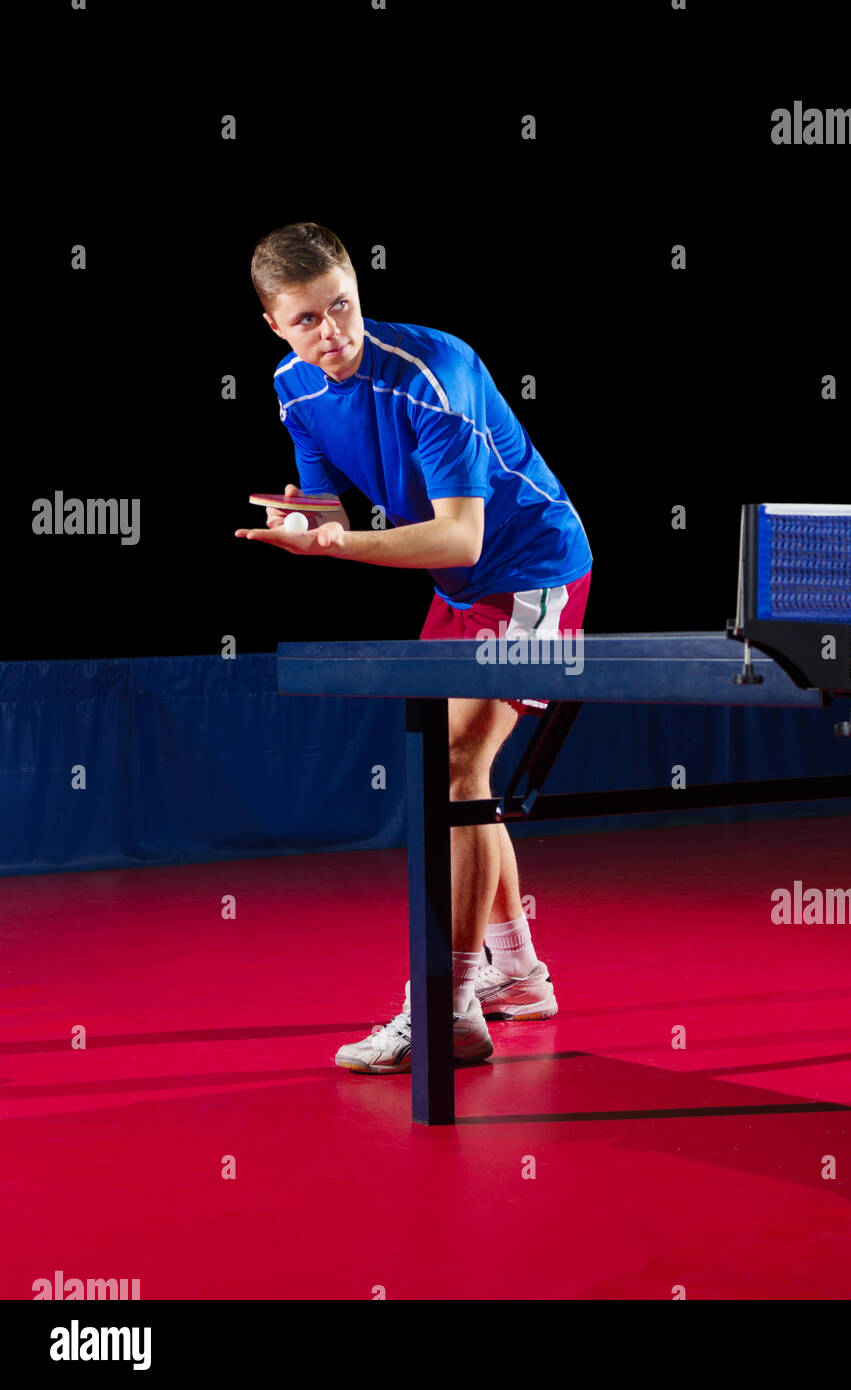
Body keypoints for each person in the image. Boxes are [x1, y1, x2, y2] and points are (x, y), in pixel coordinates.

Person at [237, 222, 592, 1074]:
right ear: (275, 326)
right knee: (455, 776)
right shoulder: (293, 388)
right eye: (307, 319)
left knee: (462, 766)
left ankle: (449, 1004)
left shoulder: (435, 373)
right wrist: (304, 524)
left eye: (342, 306)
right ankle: (520, 976)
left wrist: (337, 547)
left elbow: (461, 535)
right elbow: (329, 510)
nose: (333, 332)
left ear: (358, 290)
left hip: (531, 570)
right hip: (458, 589)